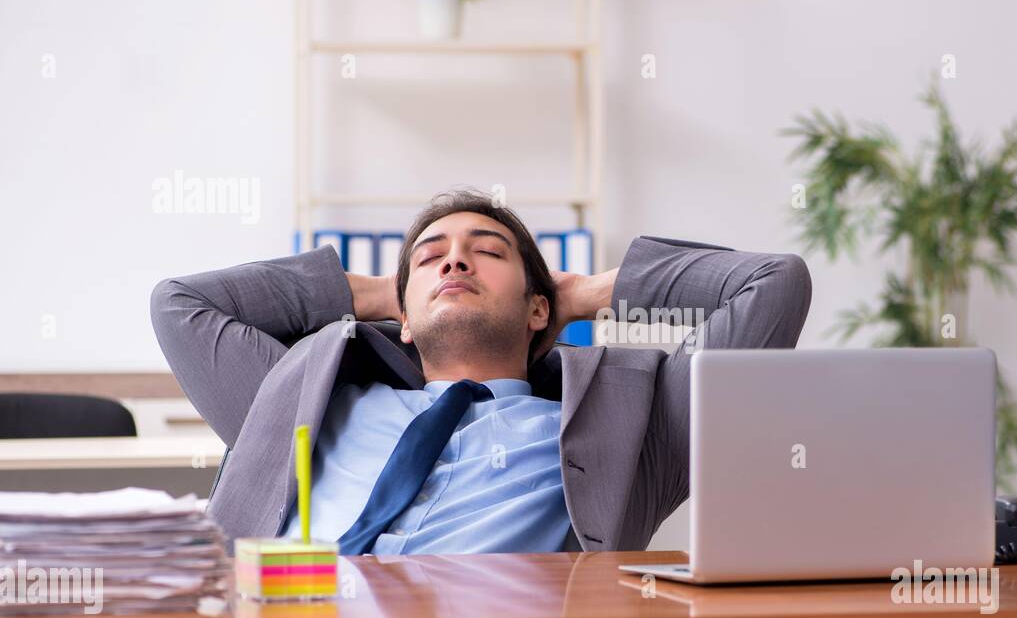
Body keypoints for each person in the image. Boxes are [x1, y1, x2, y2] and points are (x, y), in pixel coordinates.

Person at [150, 189, 812, 554]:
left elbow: (773, 284)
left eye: (487, 251)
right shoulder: (308, 397)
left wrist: (585, 293)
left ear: (536, 306)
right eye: (432, 256)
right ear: (399, 316)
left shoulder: (632, 430)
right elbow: (180, 304)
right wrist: (383, 291)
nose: (455, 262)